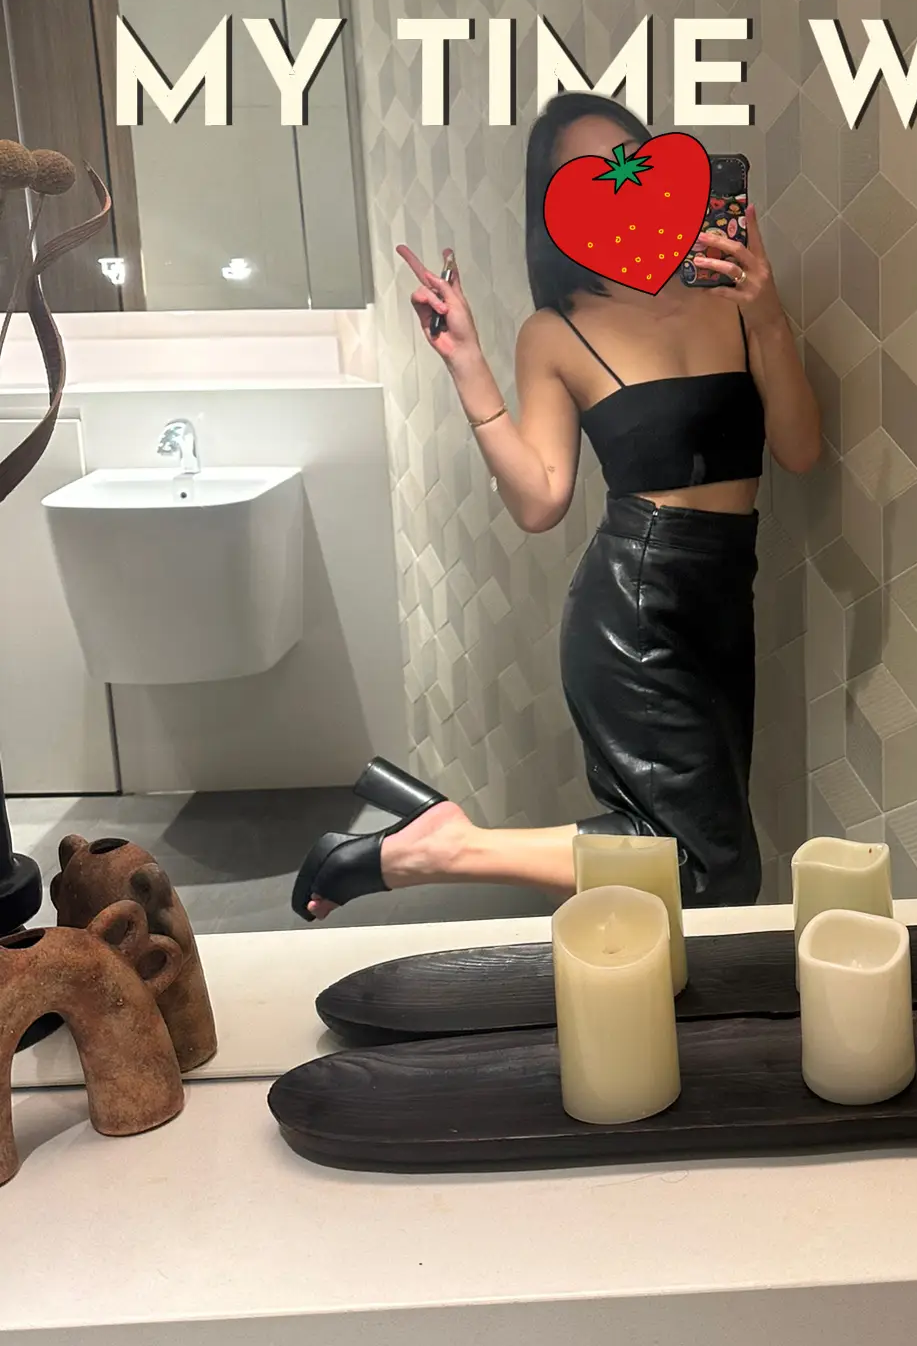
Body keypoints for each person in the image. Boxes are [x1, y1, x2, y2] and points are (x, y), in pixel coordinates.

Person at [293, 92, 821, 920]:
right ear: (559, 206)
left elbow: (799, 448)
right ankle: (441, 849)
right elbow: (540, 500)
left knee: (704, 866)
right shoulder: (557, 330)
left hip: (723, 605)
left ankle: (450, 849)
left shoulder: (729, 296)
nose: (621, 186)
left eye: (631, 163)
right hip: (636, 609)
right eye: (591, 176)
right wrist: (467, 363)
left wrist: (769, 312)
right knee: (708, 869)